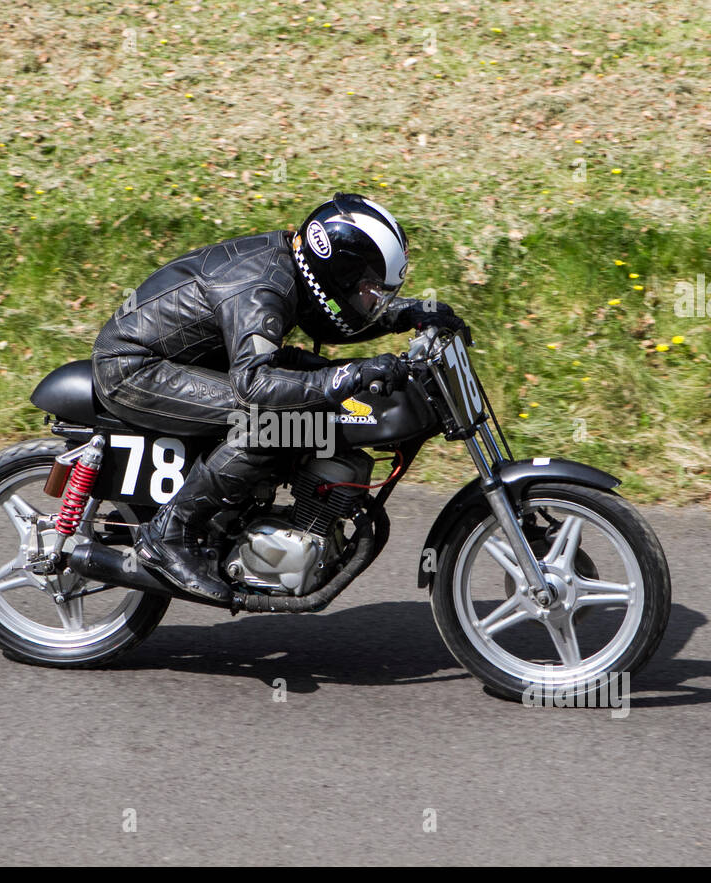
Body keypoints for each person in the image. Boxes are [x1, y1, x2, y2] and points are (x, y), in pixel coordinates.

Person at [91, 193, 465, 602]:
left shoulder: (295, 268)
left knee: (313, 395)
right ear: (336, 274)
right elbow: (253, 384)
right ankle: (169, 534)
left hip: (196, 359)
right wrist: (353, 372)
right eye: (370, 290)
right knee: (276, 424)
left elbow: (328, 317)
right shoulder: (263, 287)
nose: (373, 300)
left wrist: (408, 314)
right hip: (136, 368)